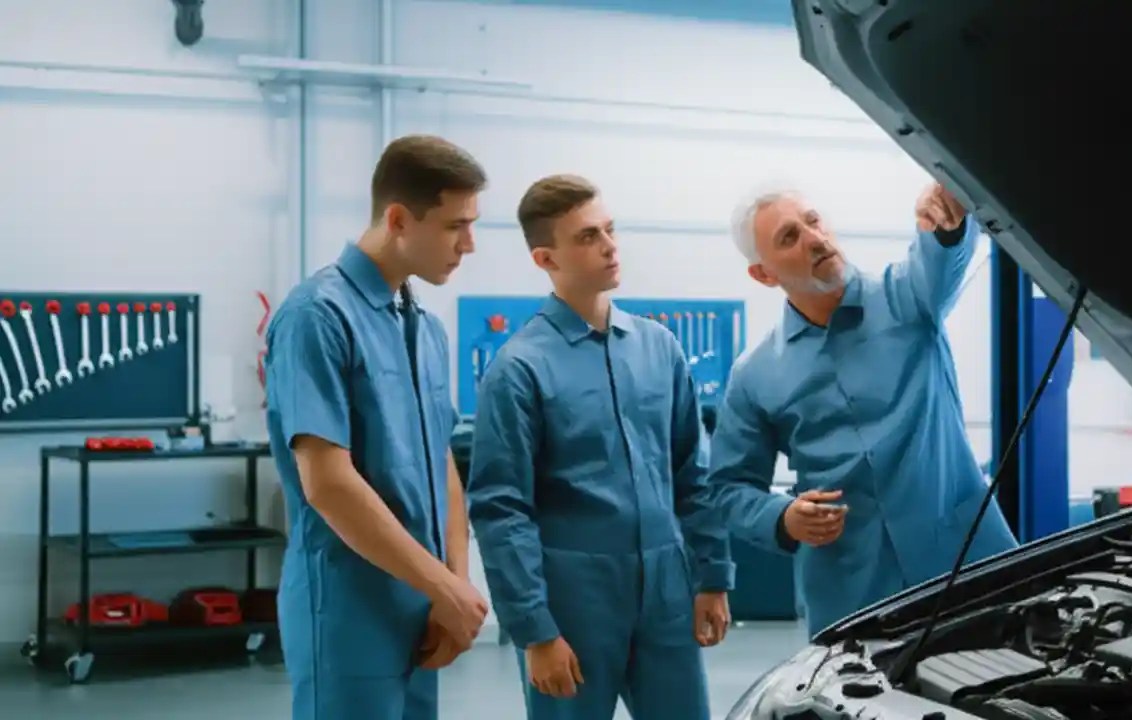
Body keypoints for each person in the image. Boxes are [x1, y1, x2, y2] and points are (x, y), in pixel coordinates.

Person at [467, 174, 733, 720]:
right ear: (547, 258)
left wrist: (713, 575)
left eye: (610, 230)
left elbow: (691, 474)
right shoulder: (519, 369)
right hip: (572, 597)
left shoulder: (660, 348)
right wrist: (535, 630)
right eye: (588, 237)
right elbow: (501, 510)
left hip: (666, 587)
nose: (610, 247)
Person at [706, 181, 1019, 638]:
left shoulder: (907, 300)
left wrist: (947, 227)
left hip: (965, 564)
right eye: (789, 237)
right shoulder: (755, 376)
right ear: (764, 274)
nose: (814, 239)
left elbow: (940, 259)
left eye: (814, 221)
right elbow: (728, 487)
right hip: (851, 596)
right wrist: (783, 517)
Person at [264, 134, 491, 720]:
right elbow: (328, 484)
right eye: (454, 226)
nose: (469, 244)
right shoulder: (316, 317)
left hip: (420, 608)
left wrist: (453, 591)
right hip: (347, 610)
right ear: (397, 219)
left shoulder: (425, 328)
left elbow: (443, 469)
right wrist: (445, 589)